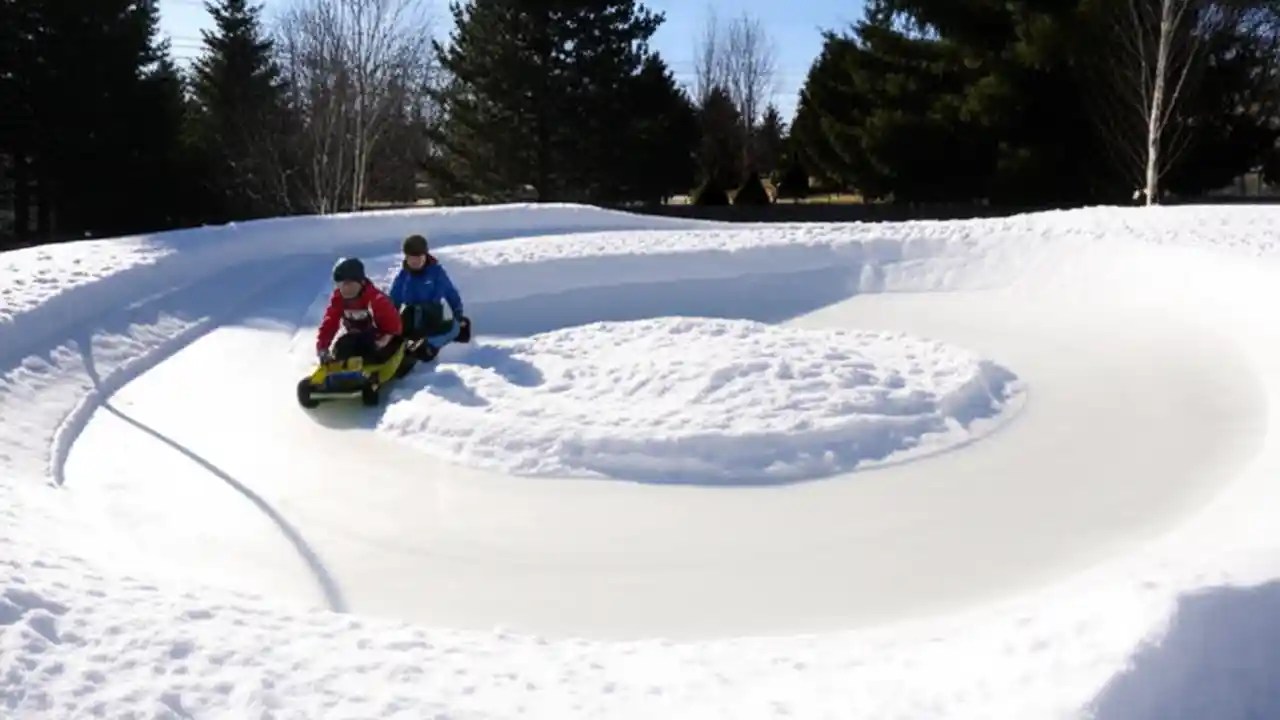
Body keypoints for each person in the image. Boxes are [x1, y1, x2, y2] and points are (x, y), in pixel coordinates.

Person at [389, 234, 465, 362]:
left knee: (455, 327)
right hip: (411, 316)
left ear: (425, 256)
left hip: (432, 315)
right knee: (397, 329)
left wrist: (458, 312)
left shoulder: (436, 273)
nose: (415, 261)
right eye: (411, 258)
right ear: (406, 258)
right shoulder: (404, 276)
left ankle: (429, 345)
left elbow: (450, 293)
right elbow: (394, 299)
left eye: (419, 257)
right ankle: (401, 349)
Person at [316, 256, 403, 365]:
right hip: (357, 337)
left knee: (375, 353)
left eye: (349, 284)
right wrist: (323, 347)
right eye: (341, 285)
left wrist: (384, 341)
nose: (345, 289)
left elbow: (394, 325)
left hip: (381, 338)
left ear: (361, 282)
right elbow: (330, 322)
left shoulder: (376, 299)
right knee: (341, 348)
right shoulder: (339, 300)